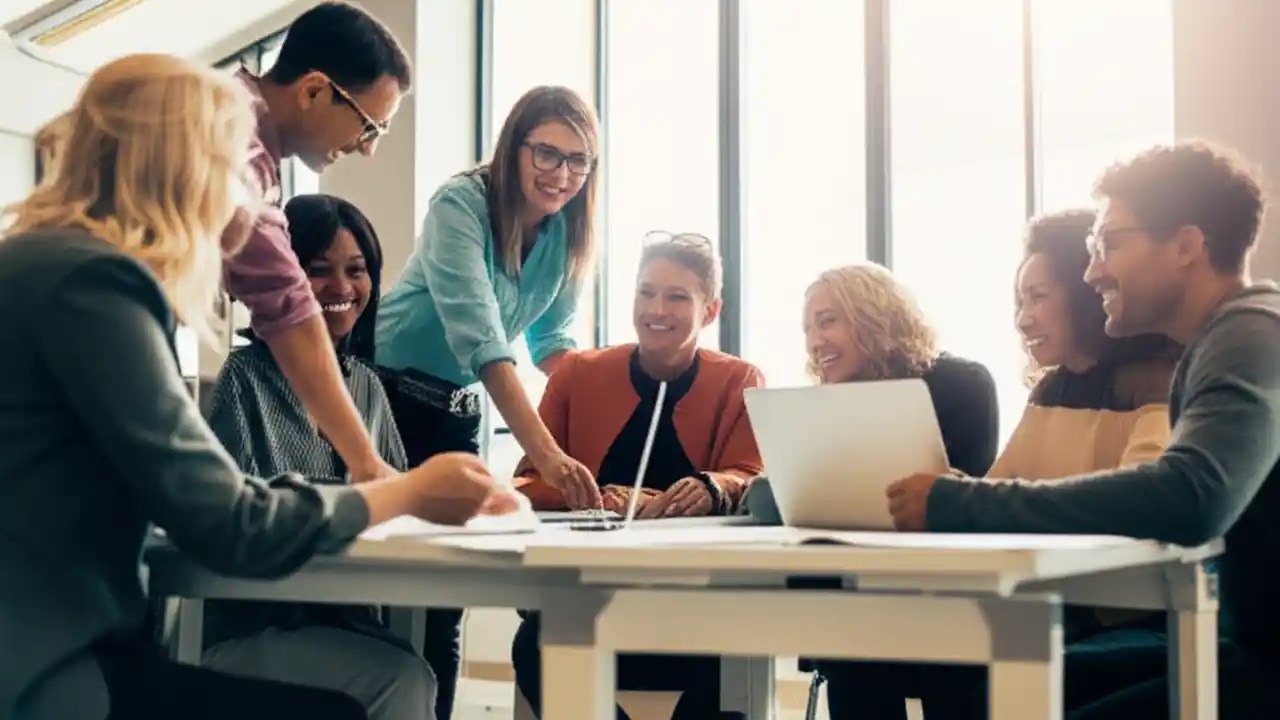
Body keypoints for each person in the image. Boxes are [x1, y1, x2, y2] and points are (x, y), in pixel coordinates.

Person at [0, 54, 510, 720]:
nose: (246, 201)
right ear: (190, 165)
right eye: (236, 171)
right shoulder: (97, 286)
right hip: (53, 666)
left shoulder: (40, 263)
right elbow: (226, 522)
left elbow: (197, 490)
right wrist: (405, 491)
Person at [887, 141, 1280, 719]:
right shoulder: (1224, 338)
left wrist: (962, 502)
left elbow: (1191, 495)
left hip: (1262, 663)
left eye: (1111, 244)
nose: (1094, 269)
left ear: (1186, 247)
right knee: (986, 694)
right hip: (1249, 648)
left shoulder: (1249, 334)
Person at [819, 210, 1181, 719]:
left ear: (1083, 293)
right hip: (1044, 600)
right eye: (1019, 301)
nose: (1023, 318)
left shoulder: (1157, 381)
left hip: (1114, 611)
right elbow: (999, 489)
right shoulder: (1054, 387)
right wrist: (952, 491)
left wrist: (969, 499)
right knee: (853, 649)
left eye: (1038, 298)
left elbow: (1135, 507)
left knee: (959, 655)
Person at [375, 85, 601, 717]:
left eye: (578, 161)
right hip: (387, 396)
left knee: (446, 601)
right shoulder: (461, 203)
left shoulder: (565, 233)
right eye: (547, 154)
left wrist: (615, 399)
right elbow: (482, 342)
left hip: (459, 410)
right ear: (514, 147)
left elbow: (554, 346)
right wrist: (549, 456)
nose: (561, 175)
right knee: (385, 593)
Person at [509, 231, 764, 720]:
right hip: (588, 599)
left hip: (697, 606)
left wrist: (712, 487)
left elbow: (751, 474)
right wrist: (601, 497)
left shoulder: (740, 380)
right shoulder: (577, 372)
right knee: (535, 645)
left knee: (734, 650)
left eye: (676, 297)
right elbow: (527, 483)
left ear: (710, 310)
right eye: (646, 292)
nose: (657, 310)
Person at [204, 194, 434, 720]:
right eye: (318, 270)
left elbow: (400, 504)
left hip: (348, 624)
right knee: (403, 679)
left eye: (357, 271)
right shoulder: (244, 380)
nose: (342, 289)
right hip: (255, 627)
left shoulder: (369, 387)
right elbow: (230, 518)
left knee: (412, 669)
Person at [227, 1, 412, 485]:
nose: (368, 148)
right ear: (313, 90)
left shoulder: (240, 128)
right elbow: (285, 302)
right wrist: (369, 466)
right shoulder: (234, 144)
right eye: (369, 126)